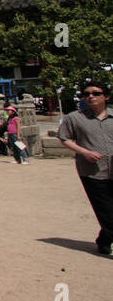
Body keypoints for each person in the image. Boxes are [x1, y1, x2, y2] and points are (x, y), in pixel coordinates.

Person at [57, 80, 113, 255]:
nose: (91, 97)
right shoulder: (74, 118)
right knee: (106, 211)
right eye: (86, 94)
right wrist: (84, 152)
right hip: (92, 171)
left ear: (106, 96)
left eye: (96, 93)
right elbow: (64, 138)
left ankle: (104, 240)